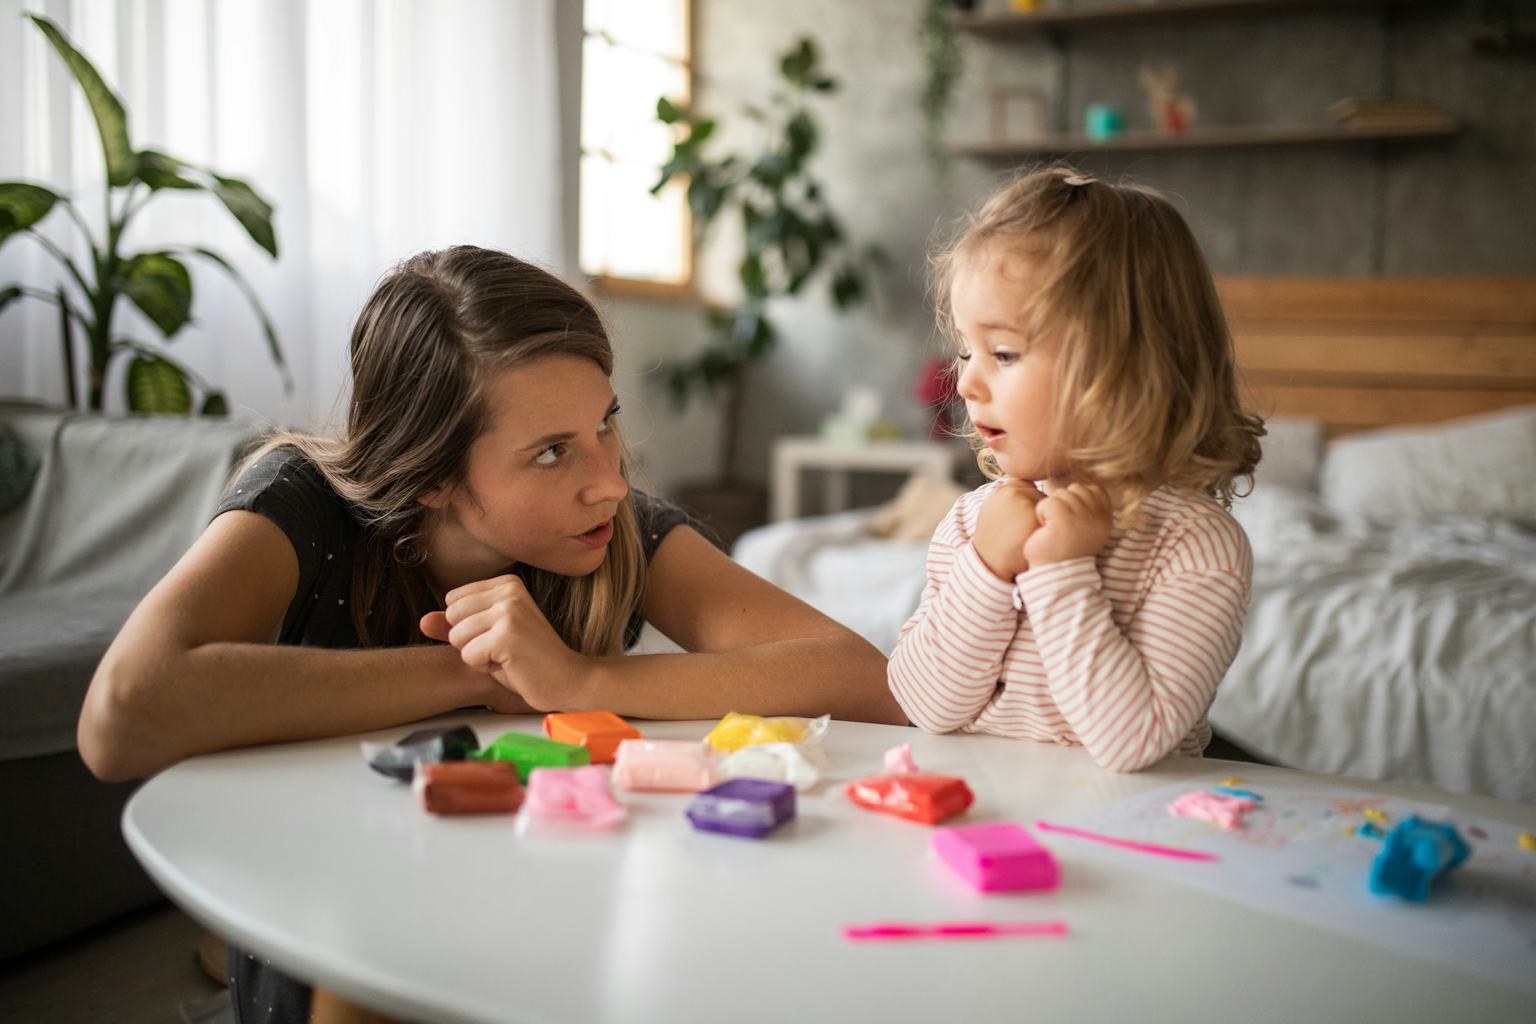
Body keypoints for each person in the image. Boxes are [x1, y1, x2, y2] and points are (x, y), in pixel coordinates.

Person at [78, 245, 902, 1024]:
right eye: (552, 453)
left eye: (605, 425)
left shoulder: (615, 529)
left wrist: (585, 683)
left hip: (538, 908)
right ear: (432, 471)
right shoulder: (302, 498)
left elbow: (865, 679)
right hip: (345, 917)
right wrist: (474, 677)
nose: (610, 481)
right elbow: (120, 719)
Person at [887, 166, 1264, 773]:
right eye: (965, 349)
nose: (966, 382)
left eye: (1004, 353)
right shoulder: (976, 522)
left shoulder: (1192, 546)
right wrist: (986, 570)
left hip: (1123, 839)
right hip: (979, 821)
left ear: (1128, 366)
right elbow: (924, 704)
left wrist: (1060, 570)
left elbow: (1131, 742)